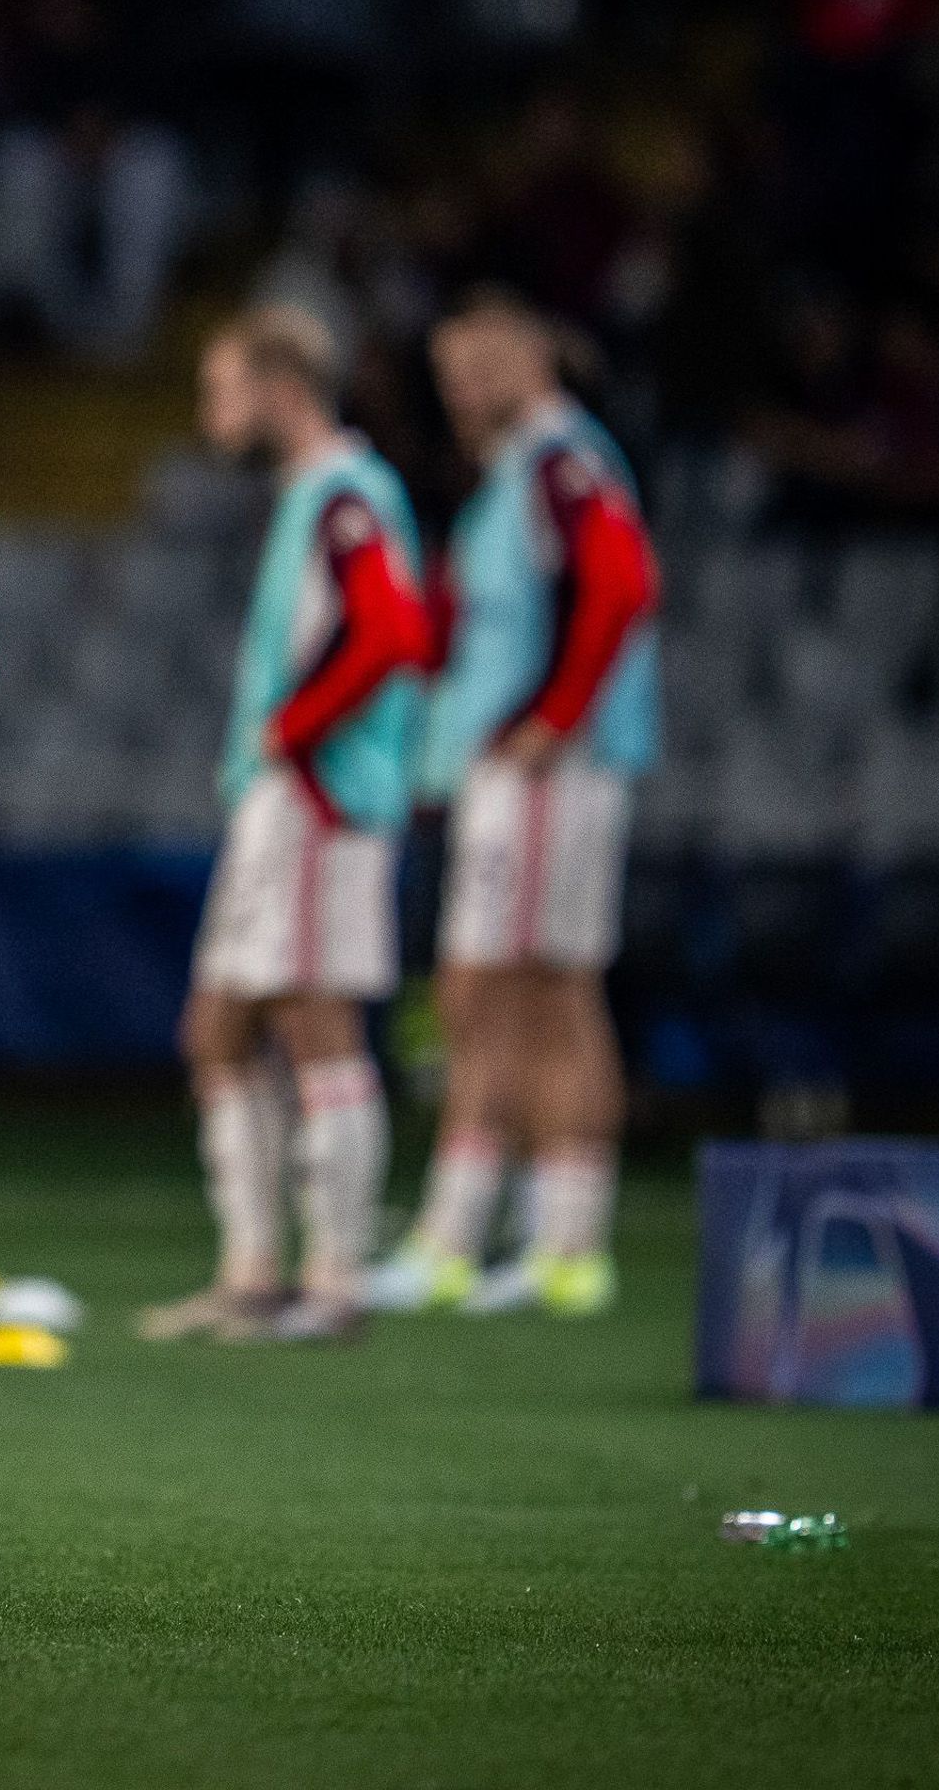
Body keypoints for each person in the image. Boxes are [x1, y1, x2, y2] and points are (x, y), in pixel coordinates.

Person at [138, 308, 430, 1347]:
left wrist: (293, 732)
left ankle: (332, 1281)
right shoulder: (317, 492)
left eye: (223, 387)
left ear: (279, 385)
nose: (212, 410)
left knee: (314, 1024)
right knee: (215, 1030)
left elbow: (393, 628)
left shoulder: (345, 490)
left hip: (314, 800)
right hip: (282, 799)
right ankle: (253, 1271)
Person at [369, 291, 660, 1319]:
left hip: (542, 774)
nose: (455, 394)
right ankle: (544, 1239)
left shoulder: (556, 459)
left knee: (504, 993)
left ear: (521, 360)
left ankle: (486, 1237)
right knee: (525, 995)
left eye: (470, 371)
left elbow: (622, 583)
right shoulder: (523, 473)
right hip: (525, 773)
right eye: (446, 377)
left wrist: (550, 719)